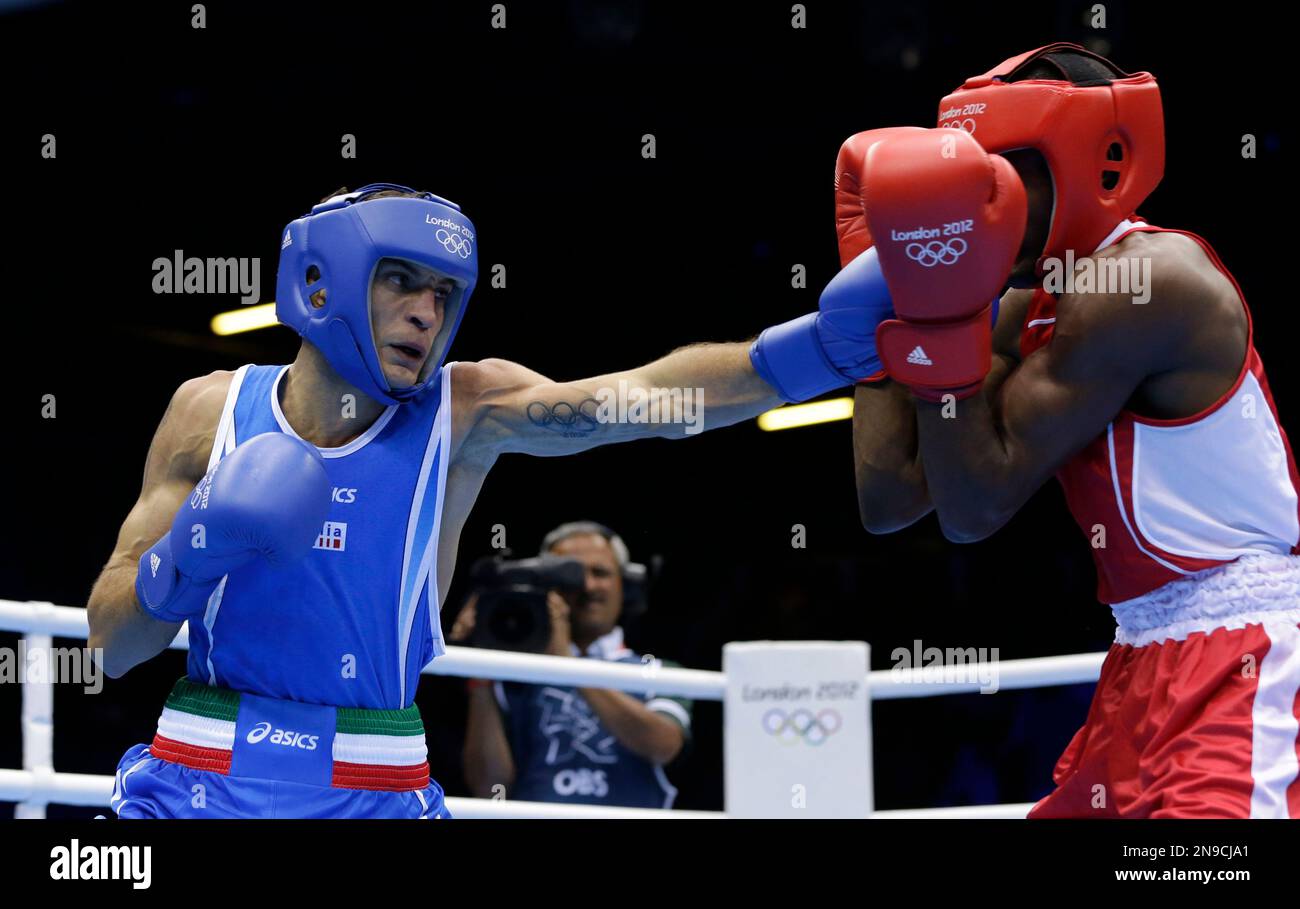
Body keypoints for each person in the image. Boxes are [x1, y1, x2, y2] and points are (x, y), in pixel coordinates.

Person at [87, 182, 892, 818]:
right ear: (319, 279)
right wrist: (186, 553)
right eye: (401, 280)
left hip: (374, 783)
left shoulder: (463, 409)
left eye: (443, 292)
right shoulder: (208, 411)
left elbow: (640, 399)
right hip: (198, 772)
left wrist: (815, 352)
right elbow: (112, 644)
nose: (426, 313)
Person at [845, 44, 1300, 817]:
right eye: (966, 172)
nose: (972, 195)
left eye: (999, 171)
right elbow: (891, 499)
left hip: (1246, 652)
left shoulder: (1152, 280)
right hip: (1140, 657)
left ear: (1090, 162)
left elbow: (974, 505)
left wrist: (934, 313)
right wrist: (884, 296)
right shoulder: (1029, 302)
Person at [454, 522, 690, 809]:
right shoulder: (514, 672)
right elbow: (490, 788)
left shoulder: (657, 672)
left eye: (600, 573)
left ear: (625, 586)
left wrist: (567, 662)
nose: (588, 586)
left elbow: (662, 746)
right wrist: (481, 668)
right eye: (572, 575)